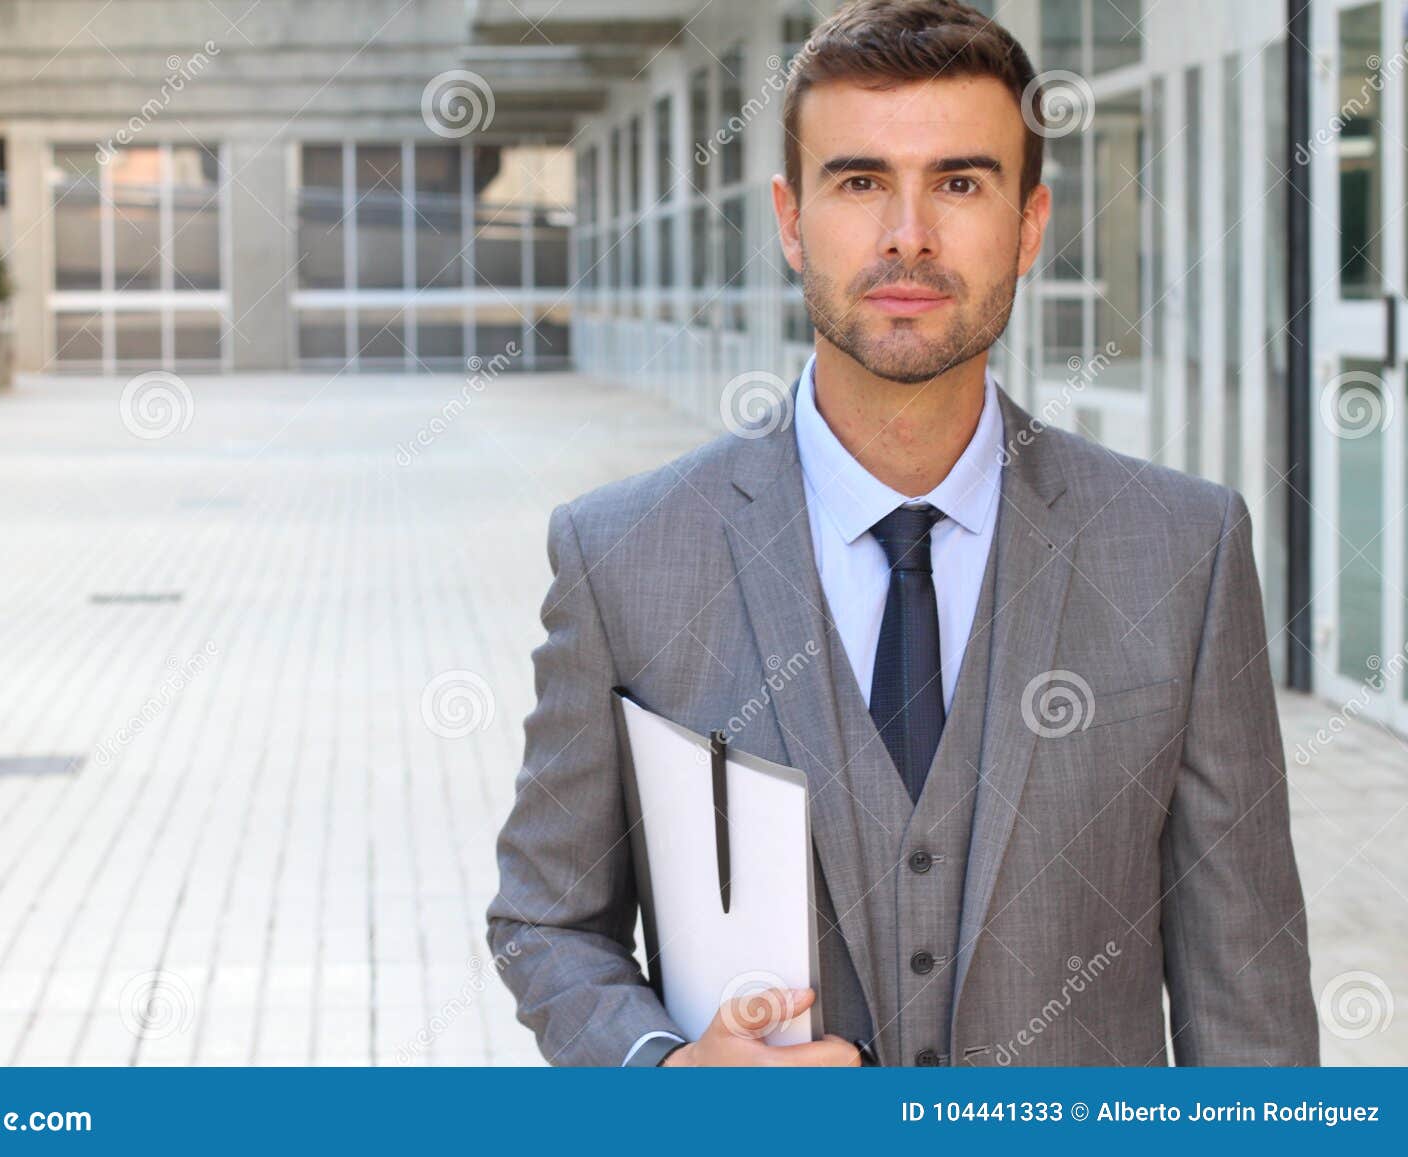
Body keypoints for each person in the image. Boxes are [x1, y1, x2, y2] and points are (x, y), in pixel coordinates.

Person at [487, 0, 1318, 1067]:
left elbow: (1245, 987)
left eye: (960, 182)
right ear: (790, 219)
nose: (908, 234)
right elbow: (545, 919)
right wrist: (664, 1072)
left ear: (1028, 222)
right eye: (861, 180)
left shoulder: (1180, 549)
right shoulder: (624, 554)